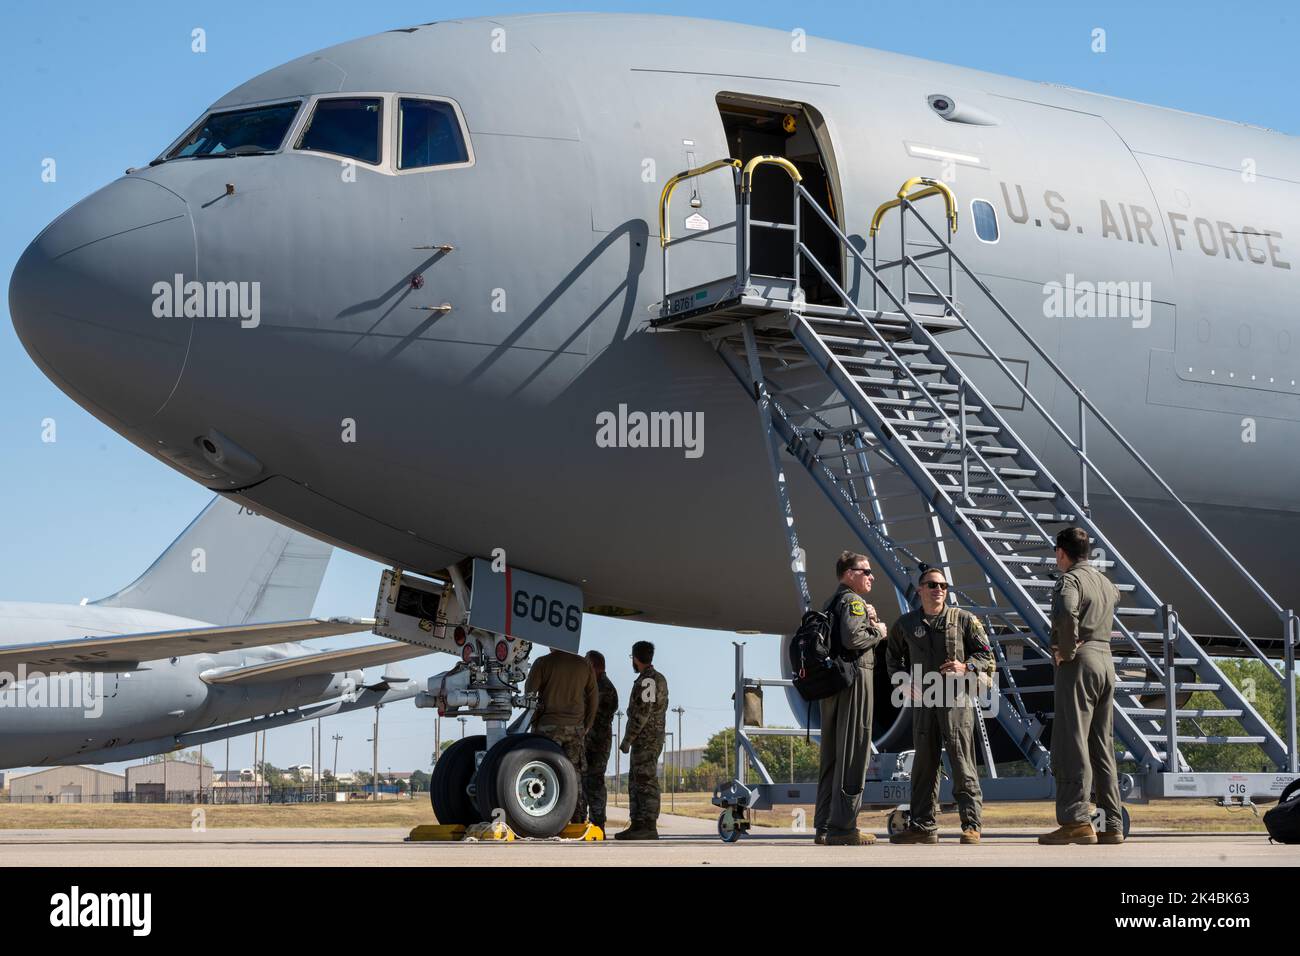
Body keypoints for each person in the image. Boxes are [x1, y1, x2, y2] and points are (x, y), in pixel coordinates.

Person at [886, 565, 995, 845]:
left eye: (943, 586)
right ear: (920, 590)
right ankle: (923, 826)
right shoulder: (906, 624)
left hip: (956, 702)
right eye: (933, 585)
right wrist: (901, 680)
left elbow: (987, 656)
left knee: (962, 762)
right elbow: (892, 658)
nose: (939, 590)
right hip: (924, 703)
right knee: (924, 765)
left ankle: (972, 825)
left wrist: (966, 665)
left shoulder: (964, 620)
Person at [1040, 526, 1125, 846]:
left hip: (1080, 662)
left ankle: (1075, 820)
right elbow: (1113, 599)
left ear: (1062, 553)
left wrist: (1065, 649)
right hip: (1105, 660)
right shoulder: (1105, 582)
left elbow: (1065, 609)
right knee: (1101, 745)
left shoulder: (1070, 579)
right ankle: (1111, 822)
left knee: (1071, 741)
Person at [814, 551, 888, 846]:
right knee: (855, 751)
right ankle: (844, 826)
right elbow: (854, 639)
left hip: (833, 684)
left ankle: (823, 825)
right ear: (849, 573)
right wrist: (879, 631)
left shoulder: (831, 602)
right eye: (866, 571)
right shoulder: (853, 601)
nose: (871, 576)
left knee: (831, 757)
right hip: (854, 680)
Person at [524, 647, 598, 825]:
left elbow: (530, 694)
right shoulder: (584, 665)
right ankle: (578, 818)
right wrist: (587, 724)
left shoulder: (543, 663)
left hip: (548, 729)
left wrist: (533, 722)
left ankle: (547, 818)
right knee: (575, 774)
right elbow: (593, 696)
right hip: (575, 728)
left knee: (546, 773)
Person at [616, 640, 668, 840]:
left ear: (636, 658)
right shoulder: (658, 678)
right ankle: (638, 824)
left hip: (646, 738)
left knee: (645, 781)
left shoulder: (648, 680)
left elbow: (642, 713)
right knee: (637, 781)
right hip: (650, 738)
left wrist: (628, 739)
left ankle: (647, 825)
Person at [583, 649, 619, 832]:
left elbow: (593, 715)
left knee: (595, 782)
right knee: (584, 780)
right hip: (593, 740)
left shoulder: (604, 688)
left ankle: (597, 823)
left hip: (597, 742)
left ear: (592, 666)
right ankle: (586, 821)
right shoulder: (596, 685)